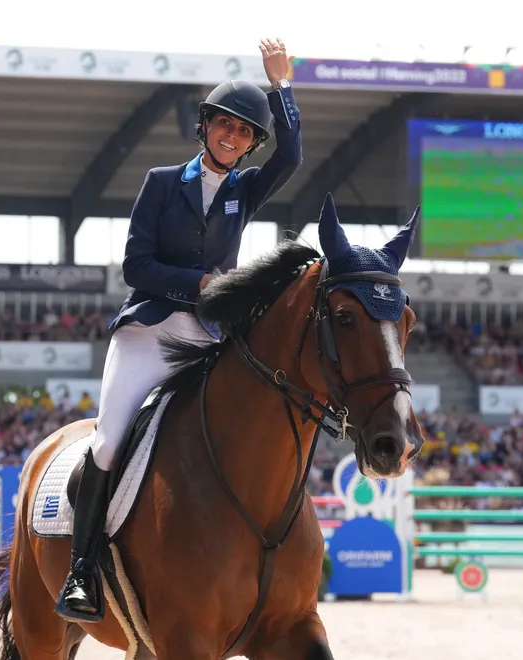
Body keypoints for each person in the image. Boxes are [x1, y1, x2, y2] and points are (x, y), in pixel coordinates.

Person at [55, 37, 302, 622]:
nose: (234, 138)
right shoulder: (162, 182)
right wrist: (196, 285)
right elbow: (135, 266)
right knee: (110, 441)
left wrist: (282, 87)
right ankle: (82, 573)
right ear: (206, 127)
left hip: (210, 339)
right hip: (148, 334)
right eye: (225, 126)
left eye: (244, 133)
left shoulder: (245, 188)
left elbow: (290, 158)